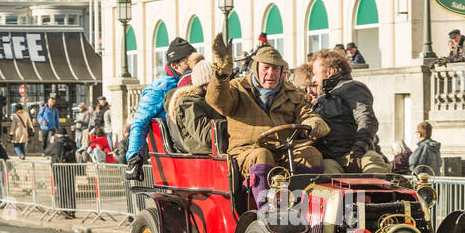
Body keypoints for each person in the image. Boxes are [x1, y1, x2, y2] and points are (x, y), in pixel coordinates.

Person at [204, 34, 328, 207]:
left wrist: (314, 123)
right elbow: (217, 101)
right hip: (246, 152)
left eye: (276, 69)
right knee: (262, 155)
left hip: (284, 151)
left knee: (311, 154)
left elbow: (306, 114)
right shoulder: (237, 88)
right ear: (256, 68)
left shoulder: (292, 93)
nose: (271, 73)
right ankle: (267, 210)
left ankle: (303, 208)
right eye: (266, 68)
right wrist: (222, 73)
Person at [123, 36, 198, 180]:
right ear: (175, 65)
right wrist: (134, 157)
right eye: (189, 62)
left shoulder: (197, 80)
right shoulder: (159, 88)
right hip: (179, 149)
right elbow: (139, 122)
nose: (194, 66)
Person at [309, 48, 389, 175]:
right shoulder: (319, 99)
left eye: (315, 73)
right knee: (327, 178)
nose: (313, 80)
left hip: (356, 153)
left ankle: (382, 193)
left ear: (329, 72)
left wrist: (358, 149)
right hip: (330, 158)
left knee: (374, 167)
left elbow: (366, 118)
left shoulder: (352, 87)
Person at [166, 60, 223, 155]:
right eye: (216, 82)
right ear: (206, 84)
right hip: (208, 152)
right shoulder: (188, 103)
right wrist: (234, 126)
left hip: (222, 148)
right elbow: (206, 136)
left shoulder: (214, 98)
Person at [44, 125, 79, 218]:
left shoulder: (57, 143)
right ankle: (72, 210)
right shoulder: (72, 142)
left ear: (57, 135)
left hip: (59, 169)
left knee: (62, 190)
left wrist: (51, 142)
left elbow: (46, 151)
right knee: (71, 190)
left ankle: (64, 210)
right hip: (70, 169)